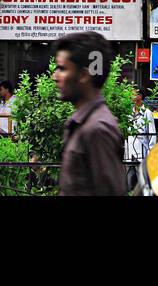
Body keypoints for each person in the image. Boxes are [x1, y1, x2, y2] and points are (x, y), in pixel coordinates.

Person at [52, 33, 126, 197]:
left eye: (62, 69)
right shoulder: (82, 123)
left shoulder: (97, 129)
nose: (55, 77)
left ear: (84, 75)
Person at [123, 90, 157, 190]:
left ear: (140, 96)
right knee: (129, 183)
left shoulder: (147, 113)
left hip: (142, 153)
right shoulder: (129, 113)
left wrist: (150, 152)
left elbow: (152, 134)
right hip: (130, 153)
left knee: (142, 184)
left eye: (134, 93)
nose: (131, 96)